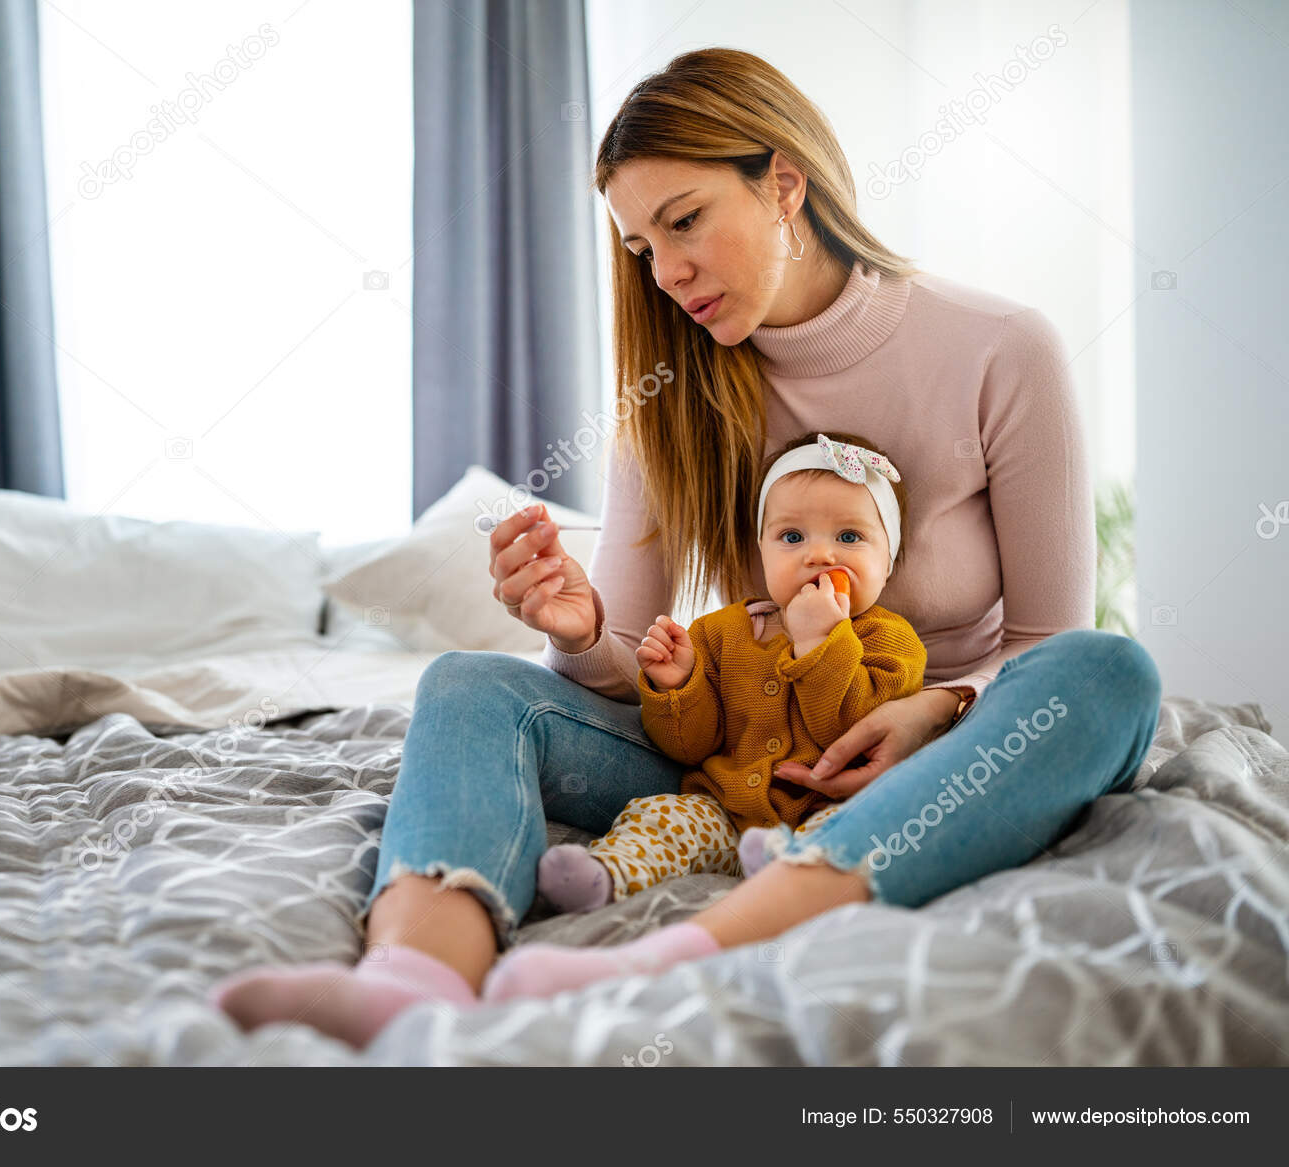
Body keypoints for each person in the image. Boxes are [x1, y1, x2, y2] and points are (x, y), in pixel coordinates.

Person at [211, 46, 1162, 1045]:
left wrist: (935, 711)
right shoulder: (668, 391)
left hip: (937, 763)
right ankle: (411, 977)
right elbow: (627, 678)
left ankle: (673, 958)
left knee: (1110, 673)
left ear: (783, 183)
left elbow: (1048, 644)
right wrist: (580, 633)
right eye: (639, 248)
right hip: (734, 759)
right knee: (467, 684)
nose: (665, 274)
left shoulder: (999, 348)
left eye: (684, 221)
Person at [537, 431, 927, 912]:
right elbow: (690, 748)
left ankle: (789, 874)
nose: (820, 556)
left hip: (827, 810)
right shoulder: (720, 632)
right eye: (792, 537)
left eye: (849, 537)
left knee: (861, 831)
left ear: (888, 560)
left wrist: (821, 641)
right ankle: (606, 874)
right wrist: (679, 686)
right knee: (664, 815)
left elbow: (854, 729)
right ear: (762, 550)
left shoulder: (891, 642)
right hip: (724, 811)